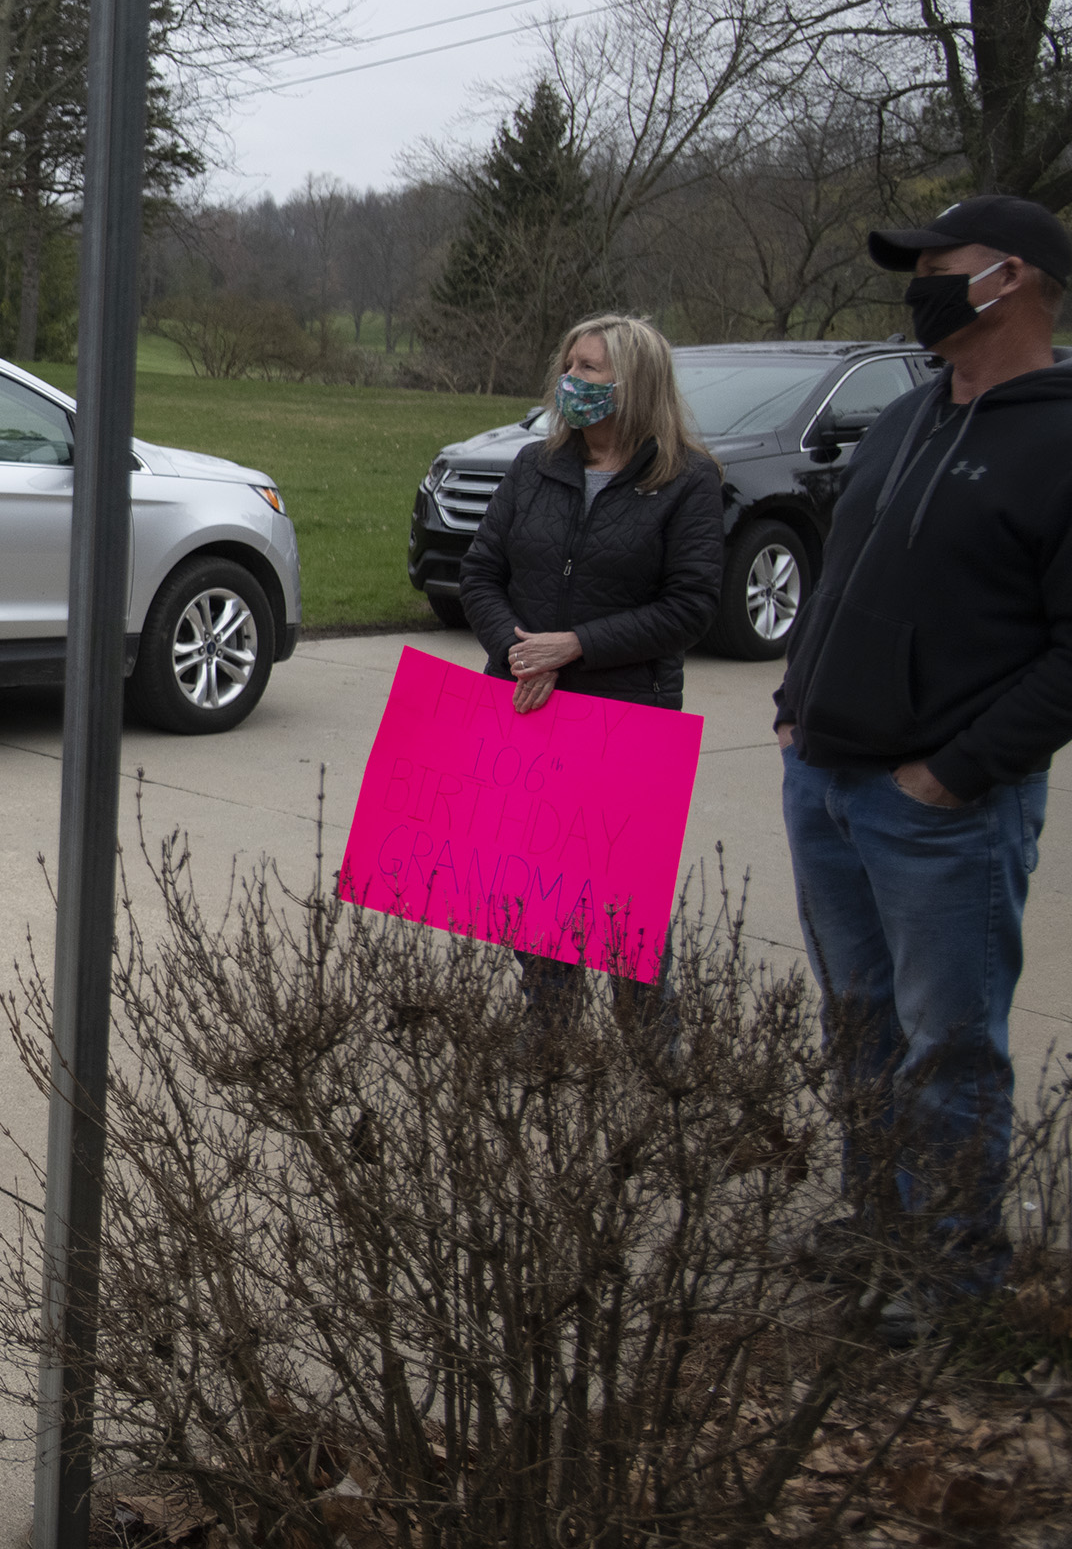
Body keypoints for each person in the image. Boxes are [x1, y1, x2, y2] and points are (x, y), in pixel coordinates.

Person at [776, 194, 1072, 1324]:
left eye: (936, 267)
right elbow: (844, 573)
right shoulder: (906, 417)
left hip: (939, 810)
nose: (917, 287)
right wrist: (795, 696)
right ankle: (880, 1225)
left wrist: (954, 769)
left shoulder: (1055, 438)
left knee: (947, 1046)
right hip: (826, 780)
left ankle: (948, 1276)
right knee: (858, 1024)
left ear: (1011, 282)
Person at [457, 313, 723, 1005]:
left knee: (624, 920)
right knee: (534, 905)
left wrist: (577, 645)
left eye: (589, 369)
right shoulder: (534, 467)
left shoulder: (687, 480)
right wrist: (516, 649)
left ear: (633, 384)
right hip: (528, 714)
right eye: (569, 366)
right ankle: (549, 1051)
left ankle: (656, 1075)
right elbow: (481, 572)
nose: (570, 381)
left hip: (627, 717)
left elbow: (691, 606)